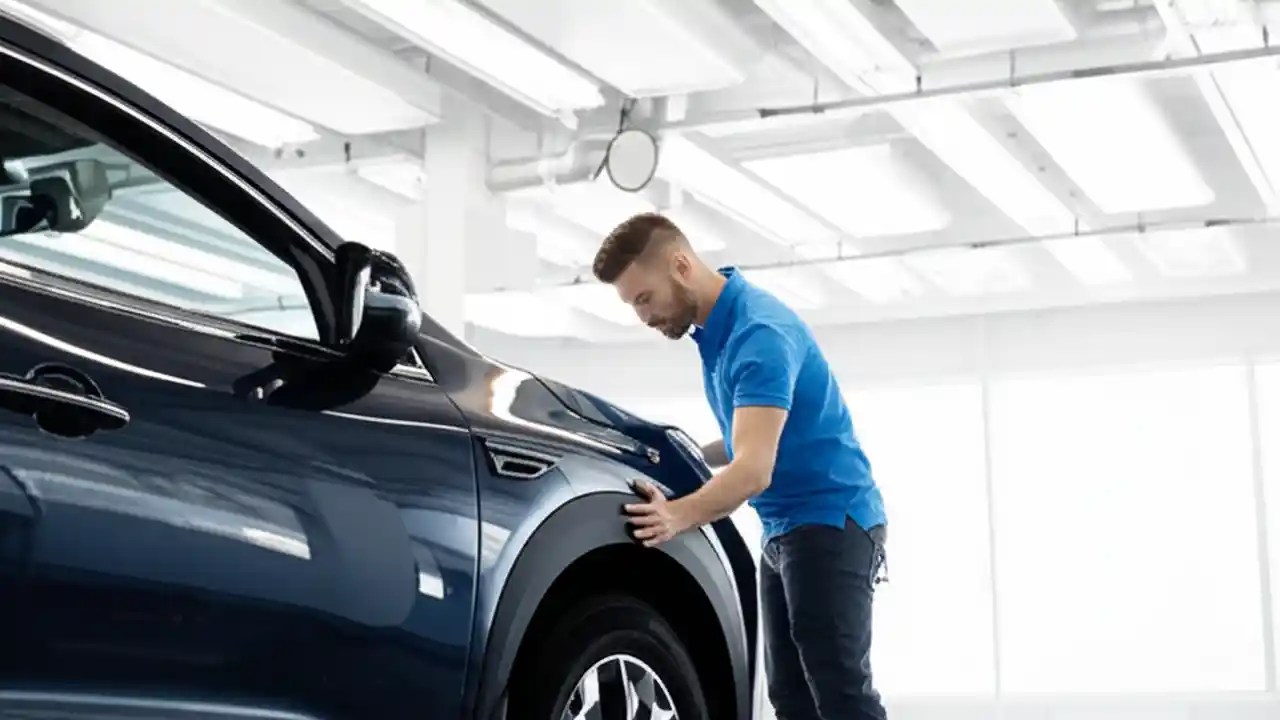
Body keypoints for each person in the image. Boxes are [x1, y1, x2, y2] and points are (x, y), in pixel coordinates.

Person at [593, 212, 889, 720]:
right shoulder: (718, 332)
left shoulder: (759, 335)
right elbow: (745, 440)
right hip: (783, 529)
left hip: (830, 521)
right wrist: (675, 451)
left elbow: (753, 471)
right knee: (791, 699)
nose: (643, 317)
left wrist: (675, 516)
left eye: (644, 298)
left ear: (681, 266)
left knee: (840, 696)